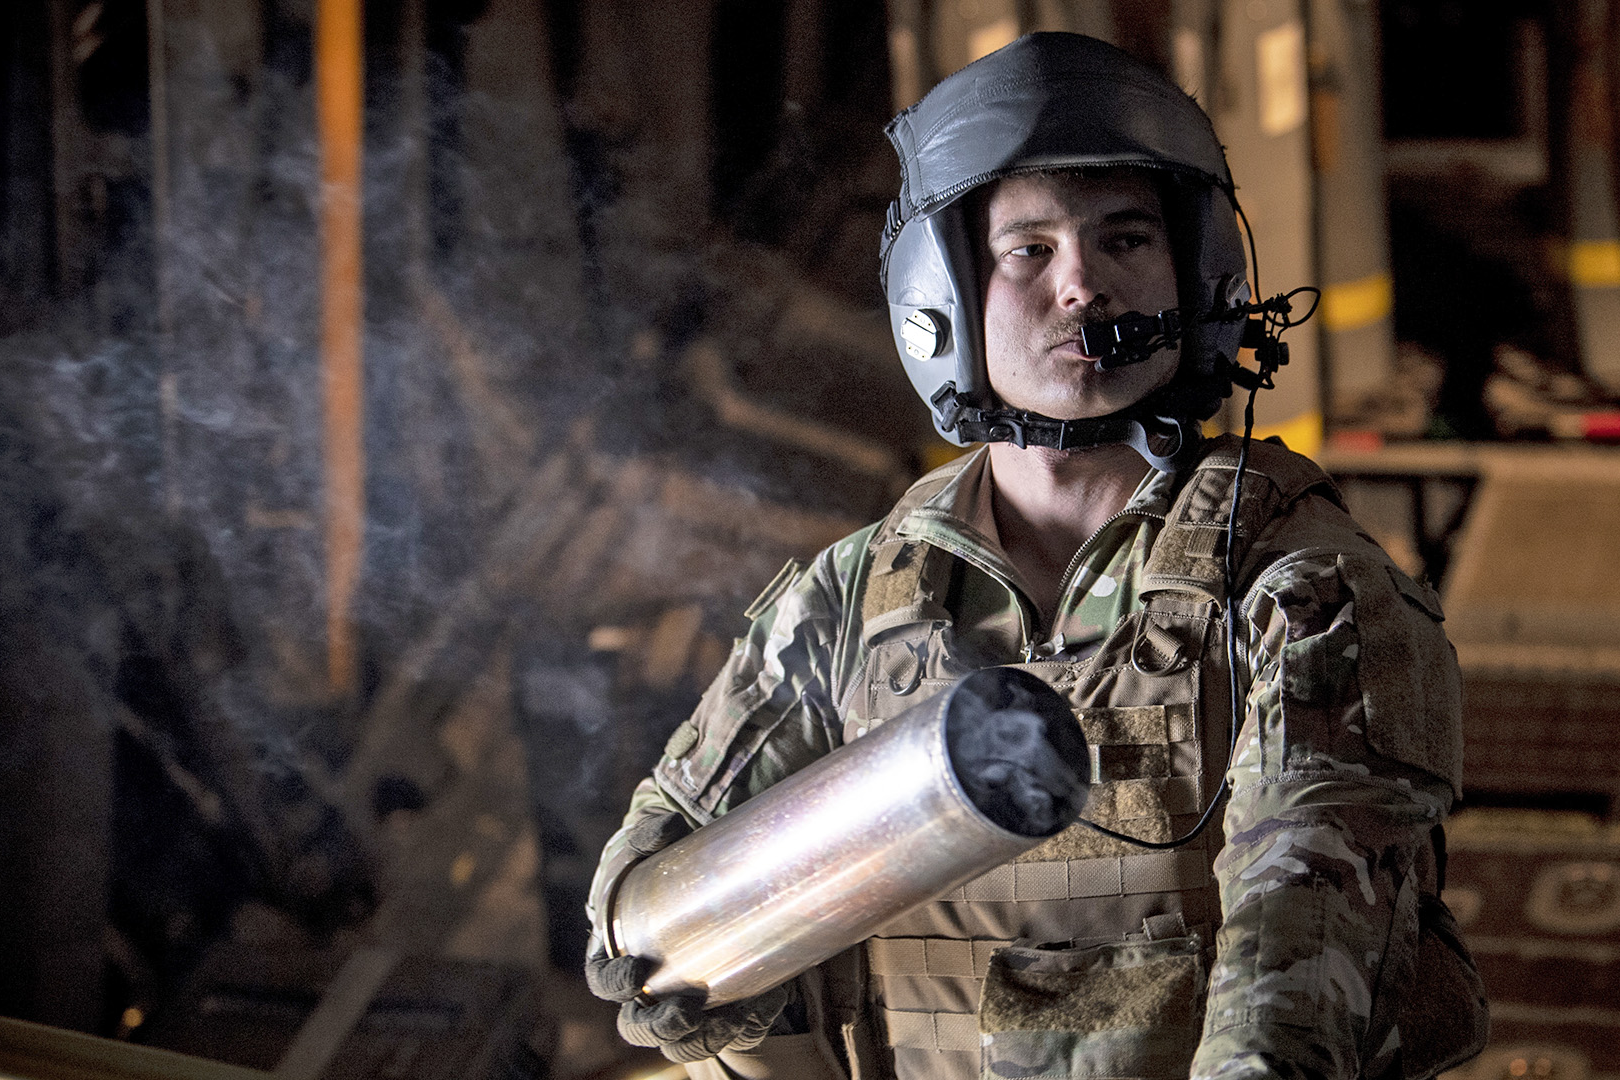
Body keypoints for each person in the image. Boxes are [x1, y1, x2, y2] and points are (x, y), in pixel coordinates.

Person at [584, 32, 1485, 1080]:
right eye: (1030, 250)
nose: (1083, 287)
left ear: (1197, 276)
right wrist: (690, 972)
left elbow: (1300, 951)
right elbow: (651, 915)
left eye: (1126, 239)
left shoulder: (1307, 594)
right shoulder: (847, 603)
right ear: (947, 295)